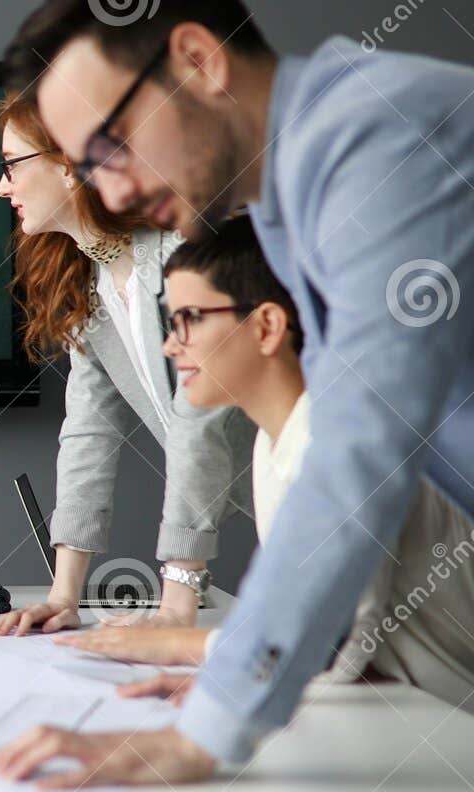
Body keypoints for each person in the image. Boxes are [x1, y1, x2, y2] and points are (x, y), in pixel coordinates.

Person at [0, 0, 474, 787]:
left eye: (110, 147)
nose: (108, 193)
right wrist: (234, 674)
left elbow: (358, 452)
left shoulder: (373, 138)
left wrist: (209, 726)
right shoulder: (287, 207)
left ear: (198, 60)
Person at [44, 218, 474, 713]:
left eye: (190, 319)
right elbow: (300, 620)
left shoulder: (334, 438)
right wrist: (232, 669)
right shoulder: (271, 447)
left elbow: (336, 641)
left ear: (267, 326)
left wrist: (185, 645)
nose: (169, 344)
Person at [0, 93, 253, 638]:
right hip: (280, 503)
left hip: (344, 489)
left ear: (69, 165)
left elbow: (201, 418)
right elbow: (89, 430)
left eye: (12, 163)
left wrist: (178, 600)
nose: (2, 186)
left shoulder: (186, 248)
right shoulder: (91, 281)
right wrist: (65, 597)